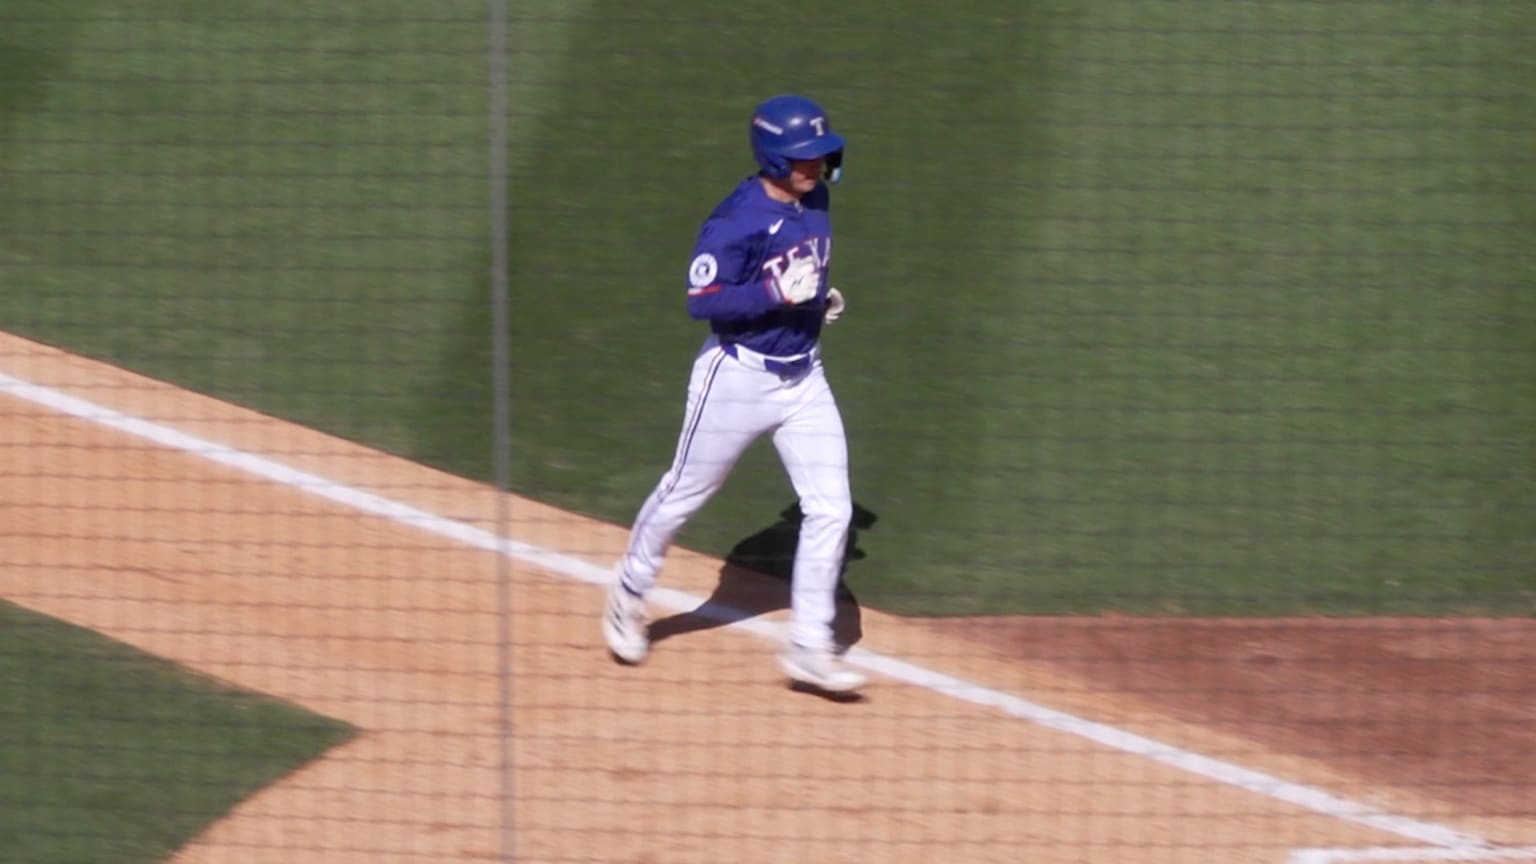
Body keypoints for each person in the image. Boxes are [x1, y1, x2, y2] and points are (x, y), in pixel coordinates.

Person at [601, 94, 865, 694]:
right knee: (685, 492)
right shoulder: (735, 221)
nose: (818, 166)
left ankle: (809, 646)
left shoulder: (815, 198)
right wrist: (779, 295)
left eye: (822, 155)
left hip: (805, 378)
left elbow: (800, 273)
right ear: (774, 160)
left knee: (832, 509)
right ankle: (628, 593)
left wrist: (817, 299)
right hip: (737, 380)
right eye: (806, 158)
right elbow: (707, 301)